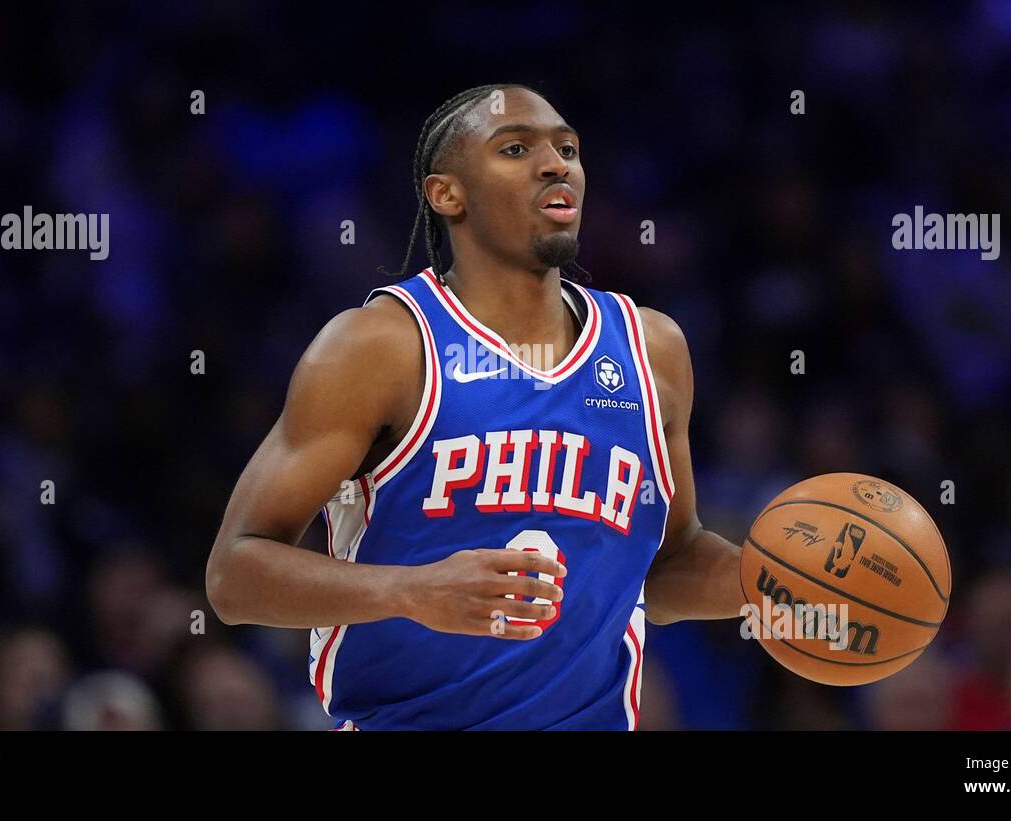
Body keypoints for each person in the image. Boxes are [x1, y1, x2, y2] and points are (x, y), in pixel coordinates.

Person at [206, 84, 744, 730]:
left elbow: (669, 565)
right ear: (447, 194)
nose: (555, 164)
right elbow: (234, 574)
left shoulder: (652, 350)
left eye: (567, 149)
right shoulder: (380, 347)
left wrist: (779, 588)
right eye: (515, 148)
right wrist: (410, 590)